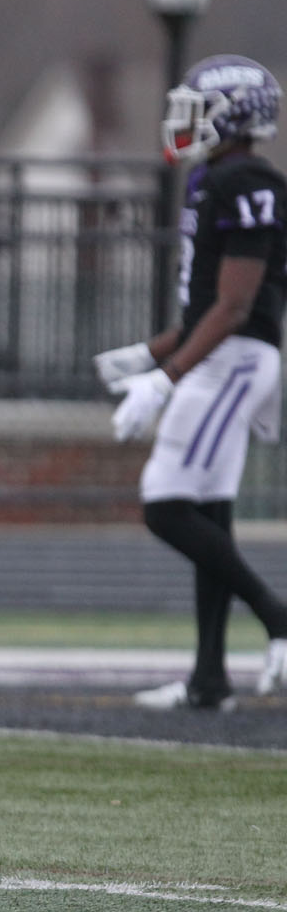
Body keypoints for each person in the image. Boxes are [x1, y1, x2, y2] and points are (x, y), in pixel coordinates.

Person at [97, 54, 287, 712]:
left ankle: (276, 615)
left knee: (165, 503)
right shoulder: (216, 178)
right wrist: (147, 356)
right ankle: (210, 678)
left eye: (199, 108)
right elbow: (207, 303)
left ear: (233, 115)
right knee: (208, 513)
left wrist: (165, 379)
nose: (184, 121)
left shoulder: (247, 182)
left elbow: (235, 307)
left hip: (230, 361)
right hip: (219, 355)